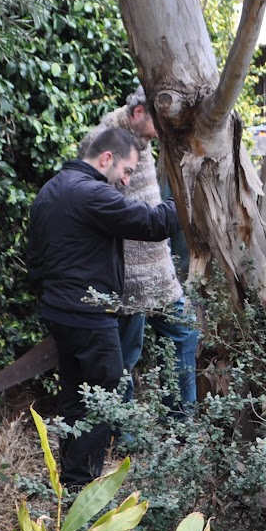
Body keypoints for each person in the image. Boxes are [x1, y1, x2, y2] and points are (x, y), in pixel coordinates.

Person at [26, 125, 179, 488]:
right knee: (101, 399)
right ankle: (84, 487)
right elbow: (153, 223)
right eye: (126, 171)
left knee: (76, 397)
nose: (126, 181)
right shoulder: (91, 193)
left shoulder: (51, 190)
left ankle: (71, 482)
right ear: (106, 158)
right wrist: (185, 201)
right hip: (89, 317)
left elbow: (34, 259)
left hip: (60, 313)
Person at [80, 88, 201, 417]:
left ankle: (180, 426)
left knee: (184, 333)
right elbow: (91, 205)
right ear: (137, 113)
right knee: (124, 358)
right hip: (126, 278)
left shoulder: (142, 143)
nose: (165, 130)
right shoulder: (104, 143)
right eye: (159, 122)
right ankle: (126, 437)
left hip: (159, 273)